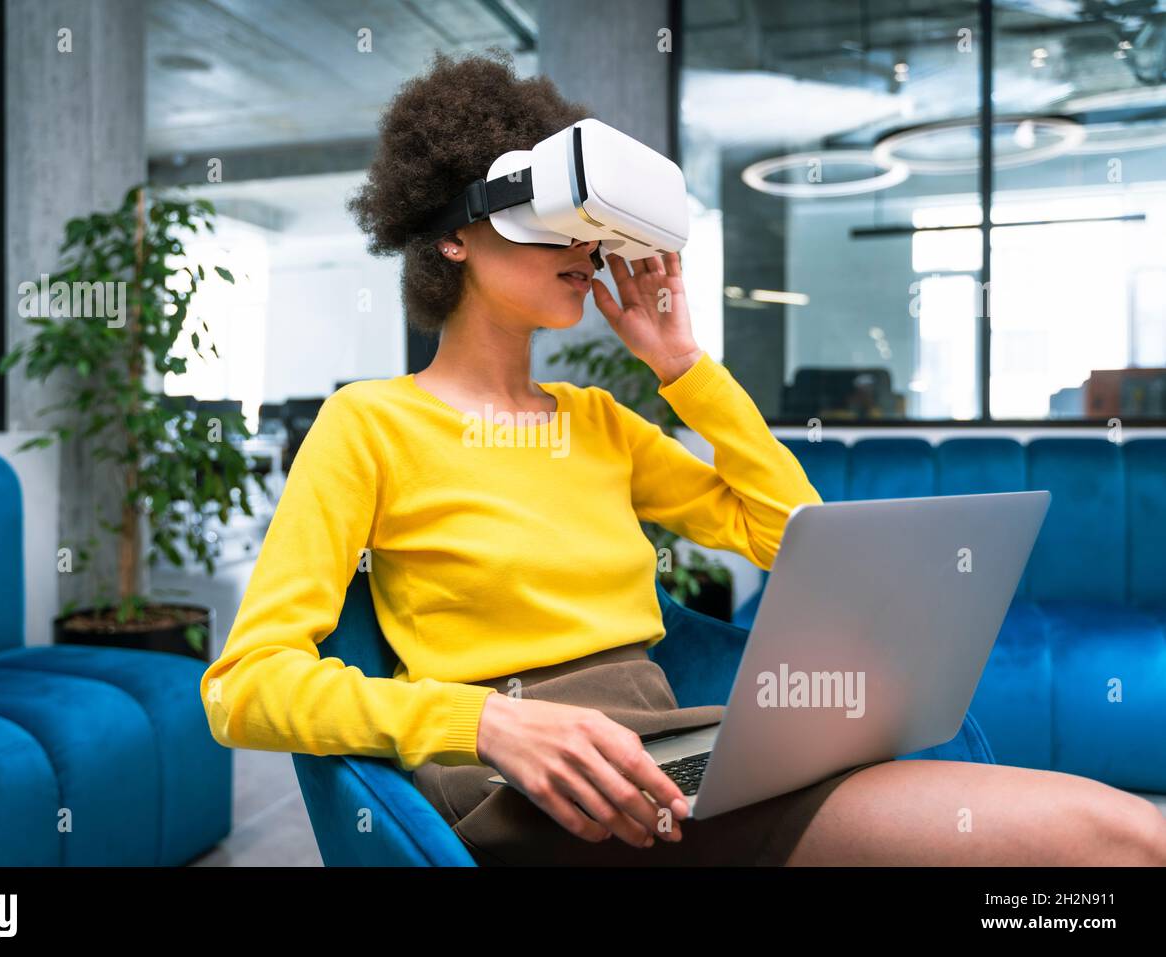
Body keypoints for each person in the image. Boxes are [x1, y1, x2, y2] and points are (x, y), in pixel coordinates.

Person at [200, 49, 1166, 866]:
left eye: (594, 230)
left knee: (1110, 839)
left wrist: (682, 366)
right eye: (555, 224)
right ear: (454, 235)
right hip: (528, 778)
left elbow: (788, 538)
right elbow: (244, 686)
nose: (586, 249)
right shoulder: (368, 425)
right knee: (1116, 836)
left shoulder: (599, 422)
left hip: (674, 750)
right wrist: (480, 722)